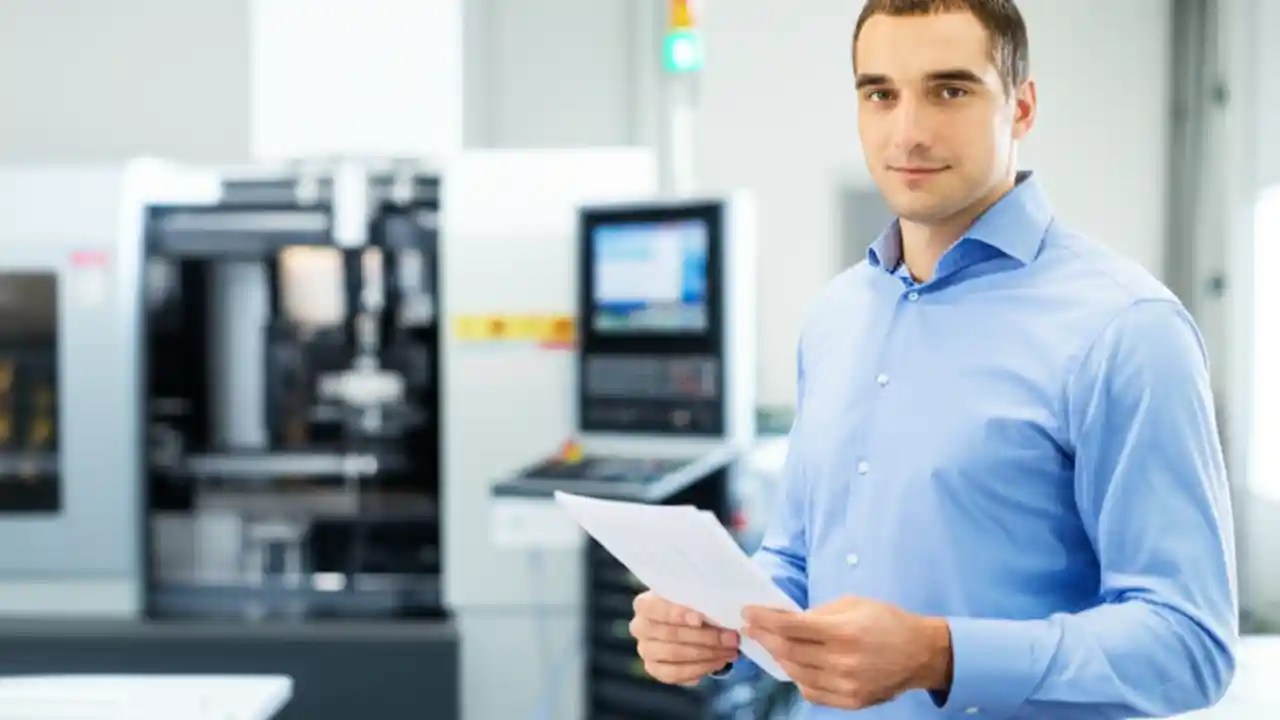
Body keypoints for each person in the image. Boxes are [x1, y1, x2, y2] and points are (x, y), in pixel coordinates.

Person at [627, 0, 1240, 717]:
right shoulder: (835, 317)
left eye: (950, 90)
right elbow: (795, 560)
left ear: (1021, 107)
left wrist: (941, 655)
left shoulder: (1126, 330)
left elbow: (1189, 643)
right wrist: (713, 626)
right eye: (880, 94)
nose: (909, 131)